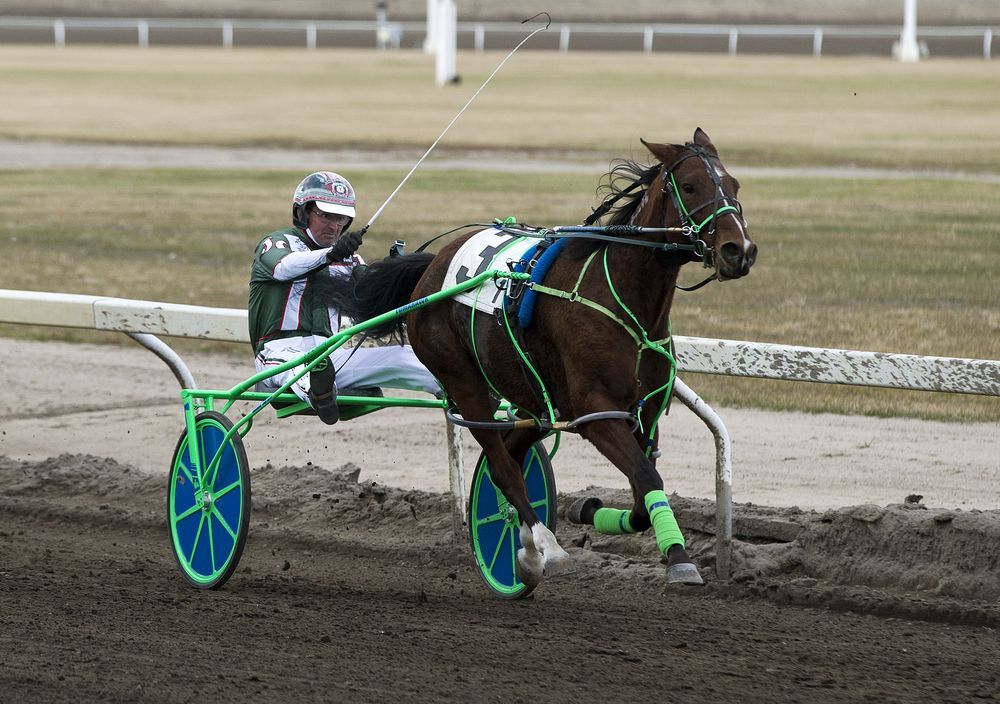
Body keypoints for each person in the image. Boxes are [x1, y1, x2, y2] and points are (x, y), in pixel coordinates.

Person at [249, 171, 439, 424]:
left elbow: (371, 296)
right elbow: (283, 268)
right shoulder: (277, 242)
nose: (334, 225)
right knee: (302, 367)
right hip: (279, 351)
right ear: (301, 213)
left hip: (331, 355)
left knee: (404, 356)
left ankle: (465, 391)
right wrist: (330, 254)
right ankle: (319, 391)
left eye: (341, 218)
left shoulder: (349, 259)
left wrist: (395, 274)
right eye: (325, 215)